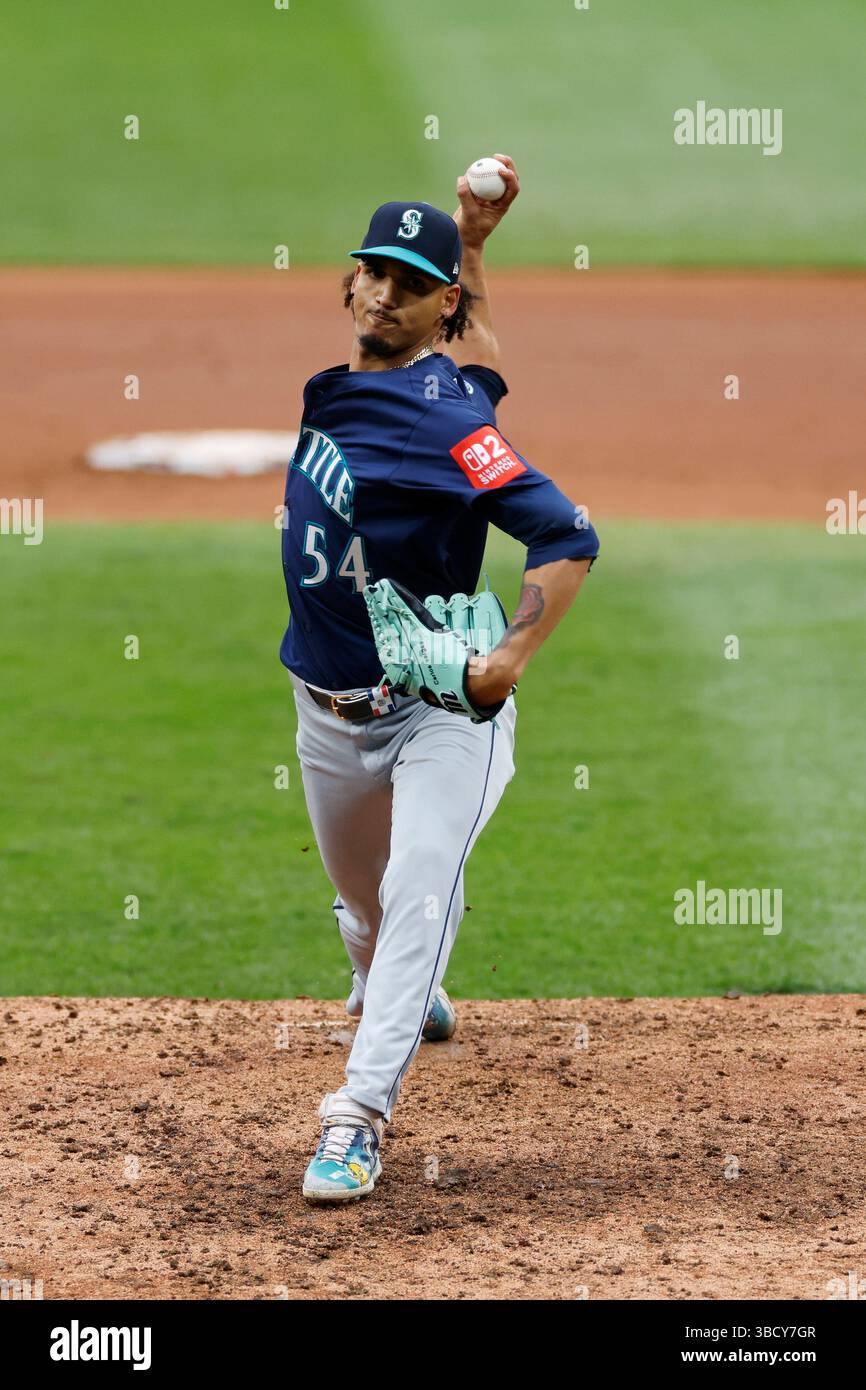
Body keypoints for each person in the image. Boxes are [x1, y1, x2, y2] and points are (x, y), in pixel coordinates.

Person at [278, 155, 600, 1202]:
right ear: (348, 281)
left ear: (433, 308)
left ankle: (355, 1118)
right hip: (326, 709)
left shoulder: (445, 426)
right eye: (373, 271)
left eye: (410, 283)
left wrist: (505, 660)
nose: (383, 291)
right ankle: (398, 995)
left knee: (419, 887)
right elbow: (483, 365)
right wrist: (465, 242)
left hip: (438, 714)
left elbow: (563, 534)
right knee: (366, 915)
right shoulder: (377, 387)